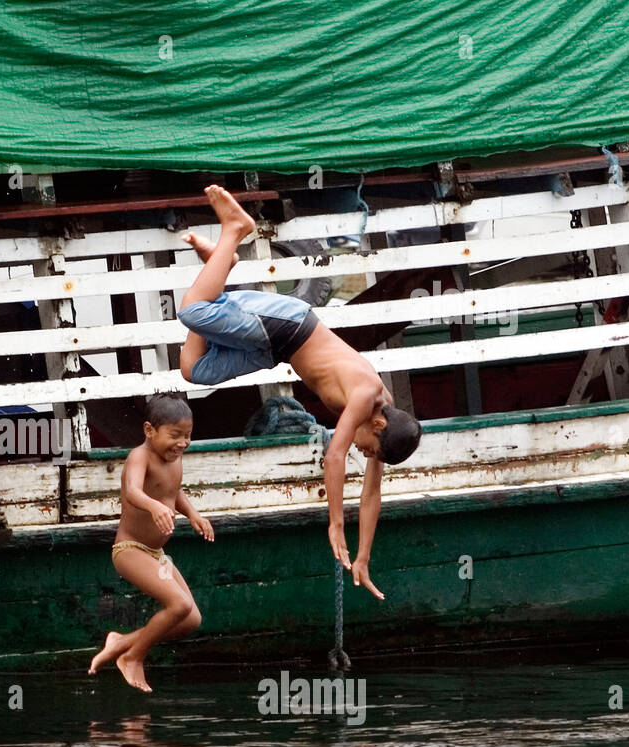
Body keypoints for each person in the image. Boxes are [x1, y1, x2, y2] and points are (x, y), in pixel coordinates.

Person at [177, 185, 422, 599]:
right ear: (378, 424)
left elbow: (372, 492)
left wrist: (363, 556)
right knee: (192, 312)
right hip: (290, 325)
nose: (367, 455)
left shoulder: (384, 420)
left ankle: (220, 266)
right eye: (372, 449)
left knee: (194, 371)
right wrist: (335, 523)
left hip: (278, 349)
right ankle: (235, 231)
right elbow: (335, 455)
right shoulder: (365, 396)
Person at [89, 393, 214, 693]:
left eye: (188, 436)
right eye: (175, 435)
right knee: (179, 604)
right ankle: (133, 656)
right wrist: (154, 506)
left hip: (155, 552)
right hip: (129, 550)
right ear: (149, 431)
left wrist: (193, 514)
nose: (182, 443)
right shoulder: (139, 457)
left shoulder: (175, 457)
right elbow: (132, 490)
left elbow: (173, 490)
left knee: (190, 618)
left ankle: (122, 641)